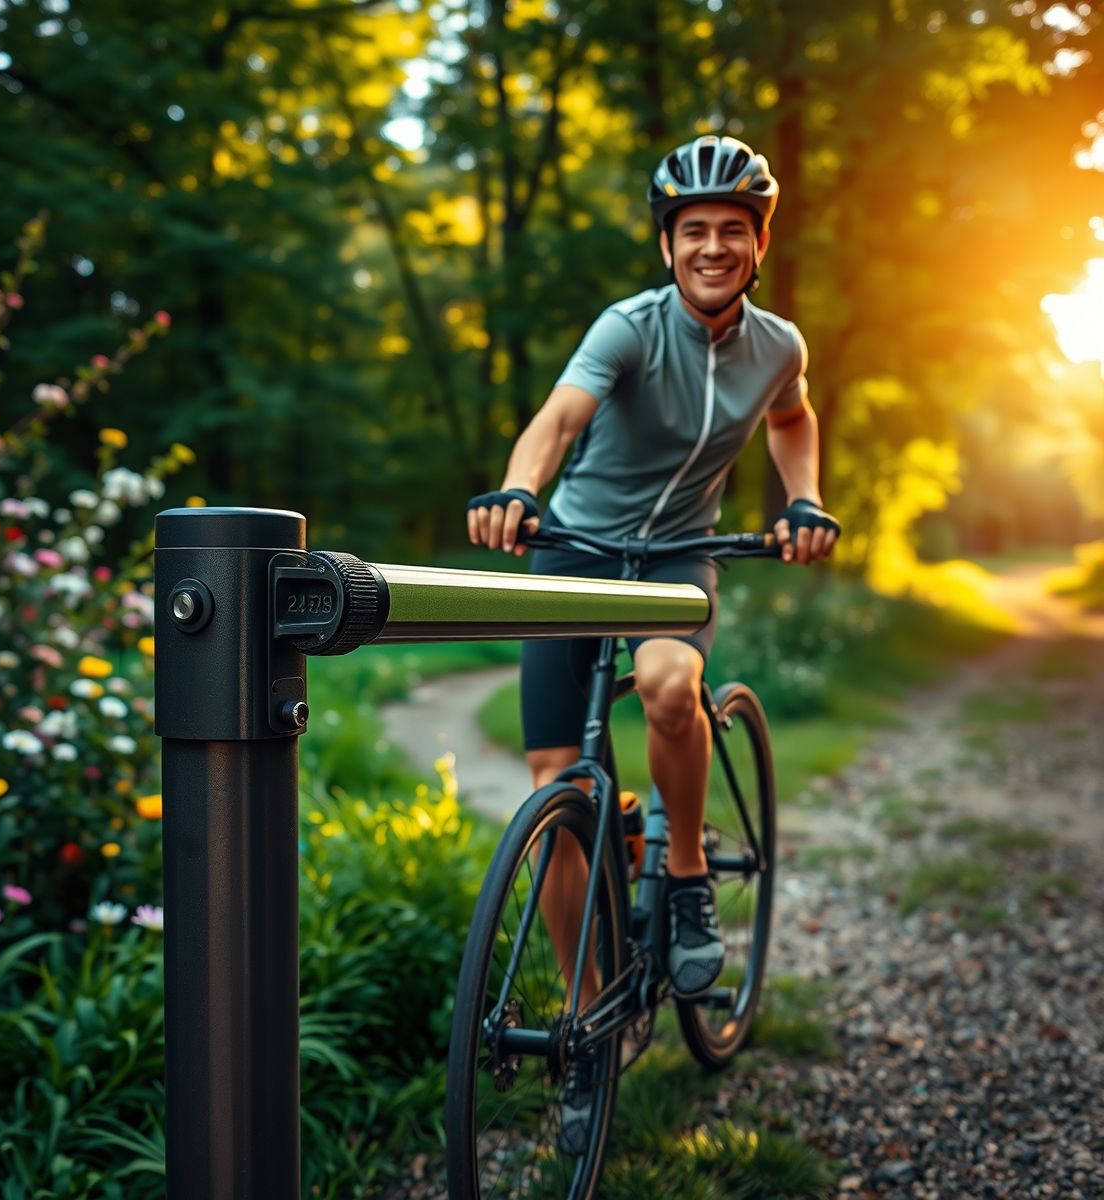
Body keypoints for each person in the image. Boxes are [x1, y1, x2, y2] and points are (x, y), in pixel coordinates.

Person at [466, 134, 840, 1152]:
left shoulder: (779, 346)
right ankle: (588, 1026)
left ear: (758, 243)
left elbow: (793, 421)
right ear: (668, 244)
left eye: (731, 229)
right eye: (693, 231)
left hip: (681, 556)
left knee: (673, 685)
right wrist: (519, 489)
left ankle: (683, 879)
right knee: (558, 783)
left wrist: (804, 498)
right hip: (580, 551)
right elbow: (559, 414)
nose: (712, 246)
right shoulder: (627, 328)